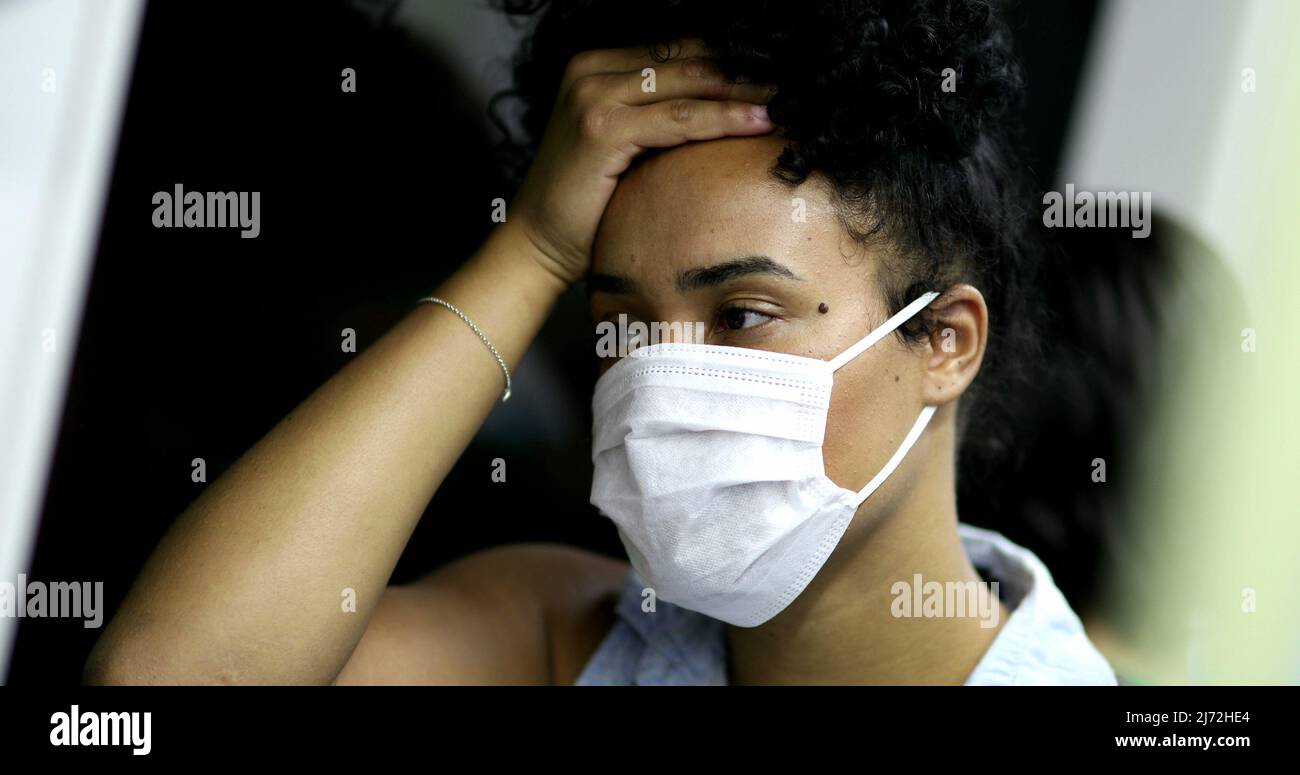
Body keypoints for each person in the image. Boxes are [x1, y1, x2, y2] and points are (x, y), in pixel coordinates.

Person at [85, 0, 1115, 685]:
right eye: (623, 323)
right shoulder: (559, 641)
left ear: (944, 338)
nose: (665, 376)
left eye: (741, 314)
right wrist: (529, 250)